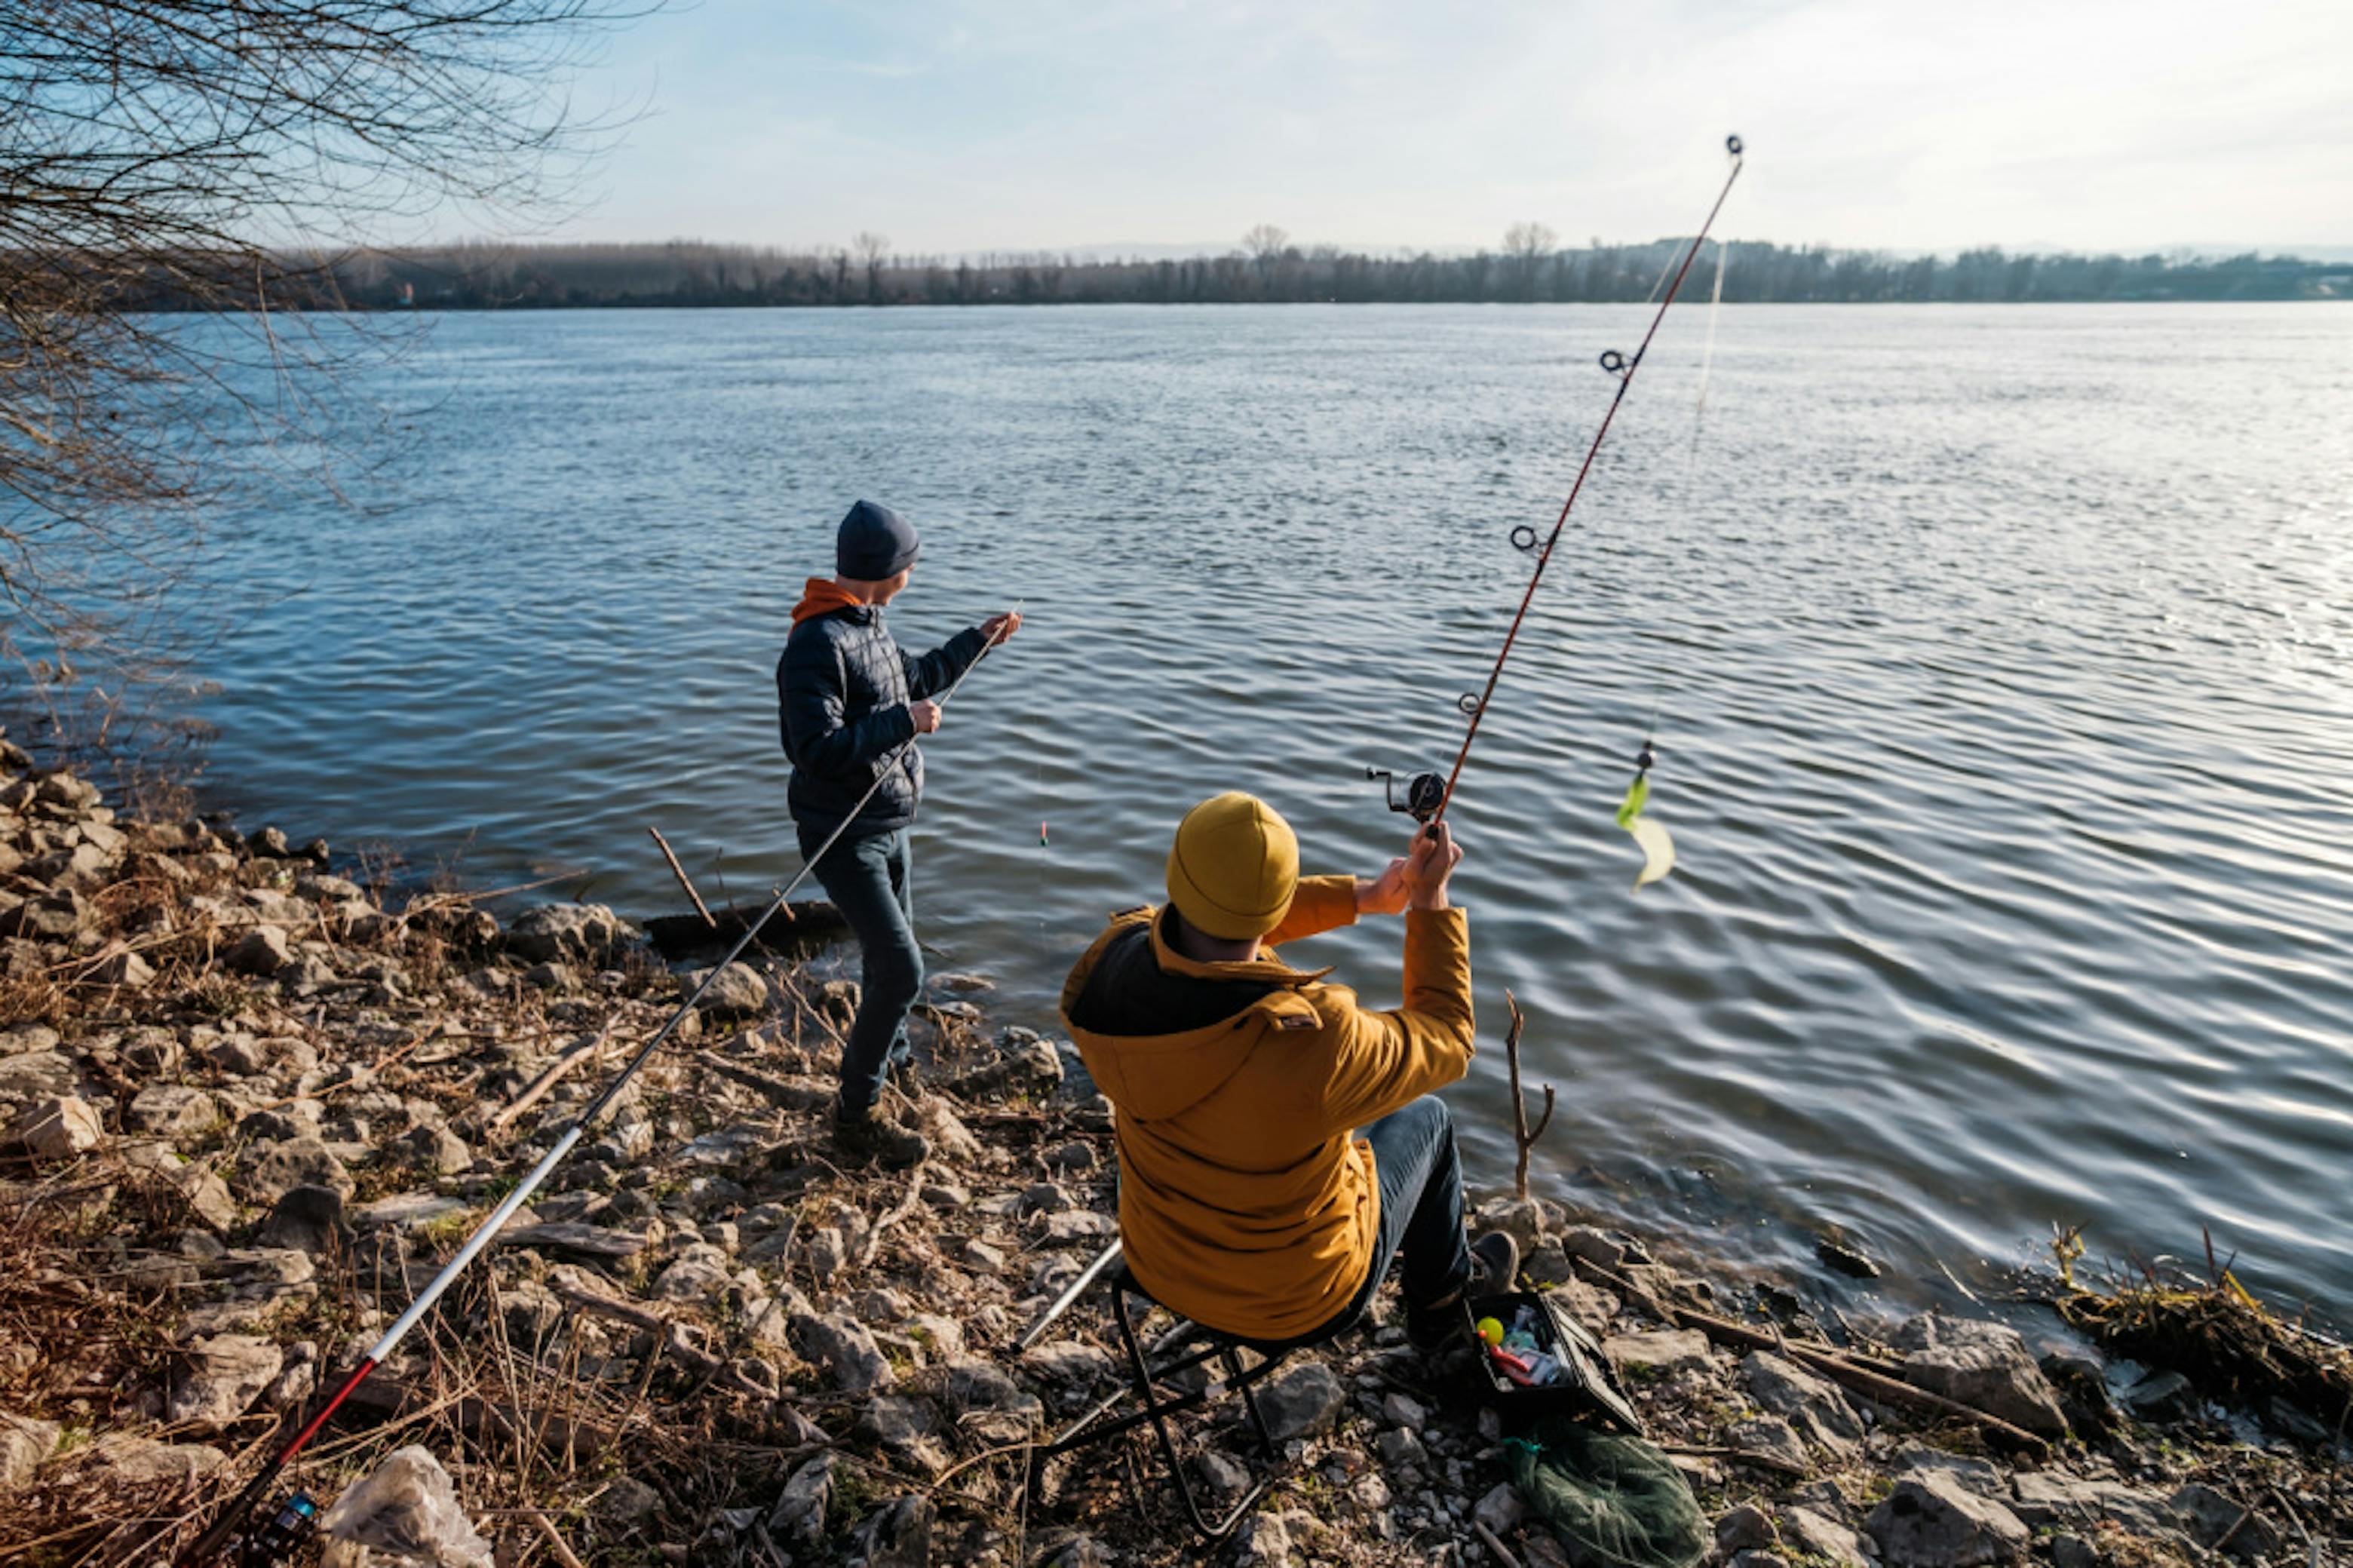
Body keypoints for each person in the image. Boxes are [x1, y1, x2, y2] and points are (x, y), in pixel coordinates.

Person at [1060, 791, 1516, 1349]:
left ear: (1177, 874)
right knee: (1429, 1119)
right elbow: (1448, 1035)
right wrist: (1429, 898)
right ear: (1276, 901)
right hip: (1295, 1303)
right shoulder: (1315, 1043)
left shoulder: (1111, 968)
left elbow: (1211, 933)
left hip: (1158, 1263)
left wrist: (1365, 897)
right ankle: (1443, 1313)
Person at [778, 499, 1020, 1168]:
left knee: (890, 962)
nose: (914, 571)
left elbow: (914, 679)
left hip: (889, 823)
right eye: (910, 562)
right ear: (888, 570)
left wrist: (978, 641)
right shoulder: (816, 643)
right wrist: (905, 723)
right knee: (904, 968)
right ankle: (856, 1117)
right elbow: (814, 749)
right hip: (842, 835)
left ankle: (897, 1064)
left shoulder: (868, 624)